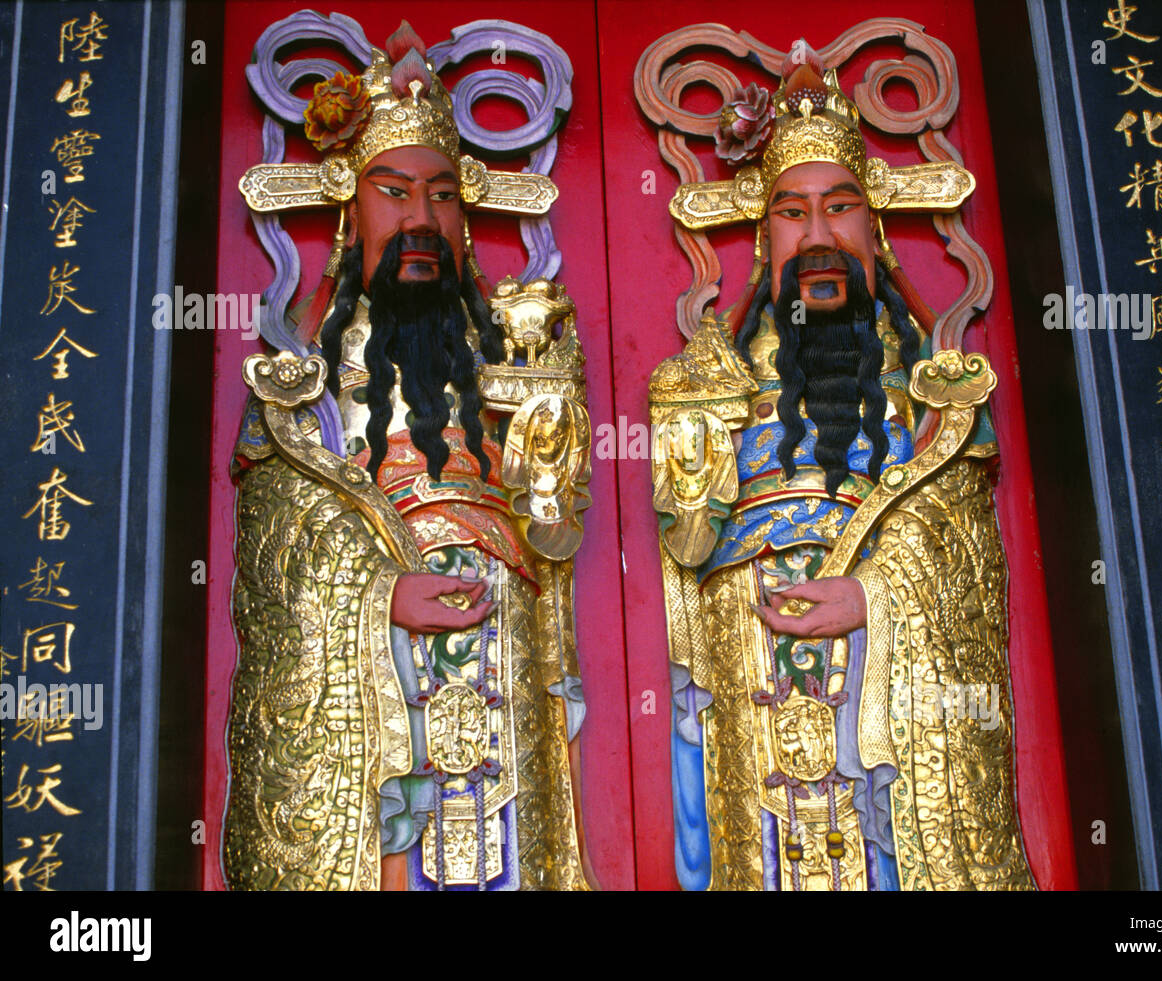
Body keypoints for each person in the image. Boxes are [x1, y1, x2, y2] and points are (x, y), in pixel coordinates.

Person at [650, 43, 1035, 890]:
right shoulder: (709, 388)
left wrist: (872, 598)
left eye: (840, 208)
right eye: (792, 213)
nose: (818, 236)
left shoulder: (937, 406)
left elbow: (966, 572)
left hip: (879, 712)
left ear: (876, 227)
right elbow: (685, 547)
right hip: (751, 690)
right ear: (762, 235)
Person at [224, 22, 593, 890]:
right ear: (353, 207)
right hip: (378, 661)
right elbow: (282, 531)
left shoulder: (505, 344)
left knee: (503, 848)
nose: (421, 218)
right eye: (395, 192)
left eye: (441, 196)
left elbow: (554, 511)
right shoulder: (310, 363)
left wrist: (545, 480)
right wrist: (382, 595)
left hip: (501, 638)